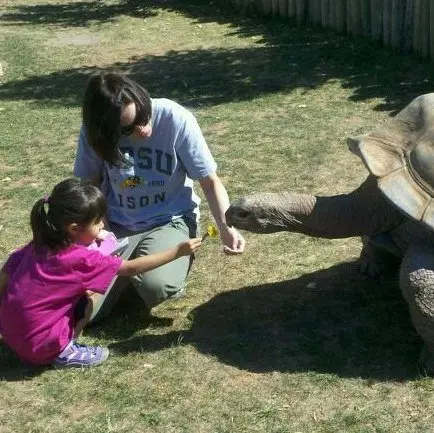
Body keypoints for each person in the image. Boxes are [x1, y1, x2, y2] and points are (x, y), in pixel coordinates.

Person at [73, 71, 245, 315]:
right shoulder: (93, 131)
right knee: (80, 310)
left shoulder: (174, 117)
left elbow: (209, 181)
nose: (144, 130)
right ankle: (125, 275)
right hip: (114, 226)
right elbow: (89, 185)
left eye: (143, 116)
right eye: (128, 128)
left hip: (168, 220)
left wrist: (227, 227)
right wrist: (100, 229)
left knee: (157, 286)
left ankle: (137, 274)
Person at [0, 178, 202, 368]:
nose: (102, 224)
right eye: (97, 222)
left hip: (10, 336)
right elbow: (131, 267)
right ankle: (64, 352)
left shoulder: (38, 244)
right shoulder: (80, 259)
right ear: (74, 228)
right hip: (40, 348)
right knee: (86, 300)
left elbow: (4, 274)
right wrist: (177, 251)